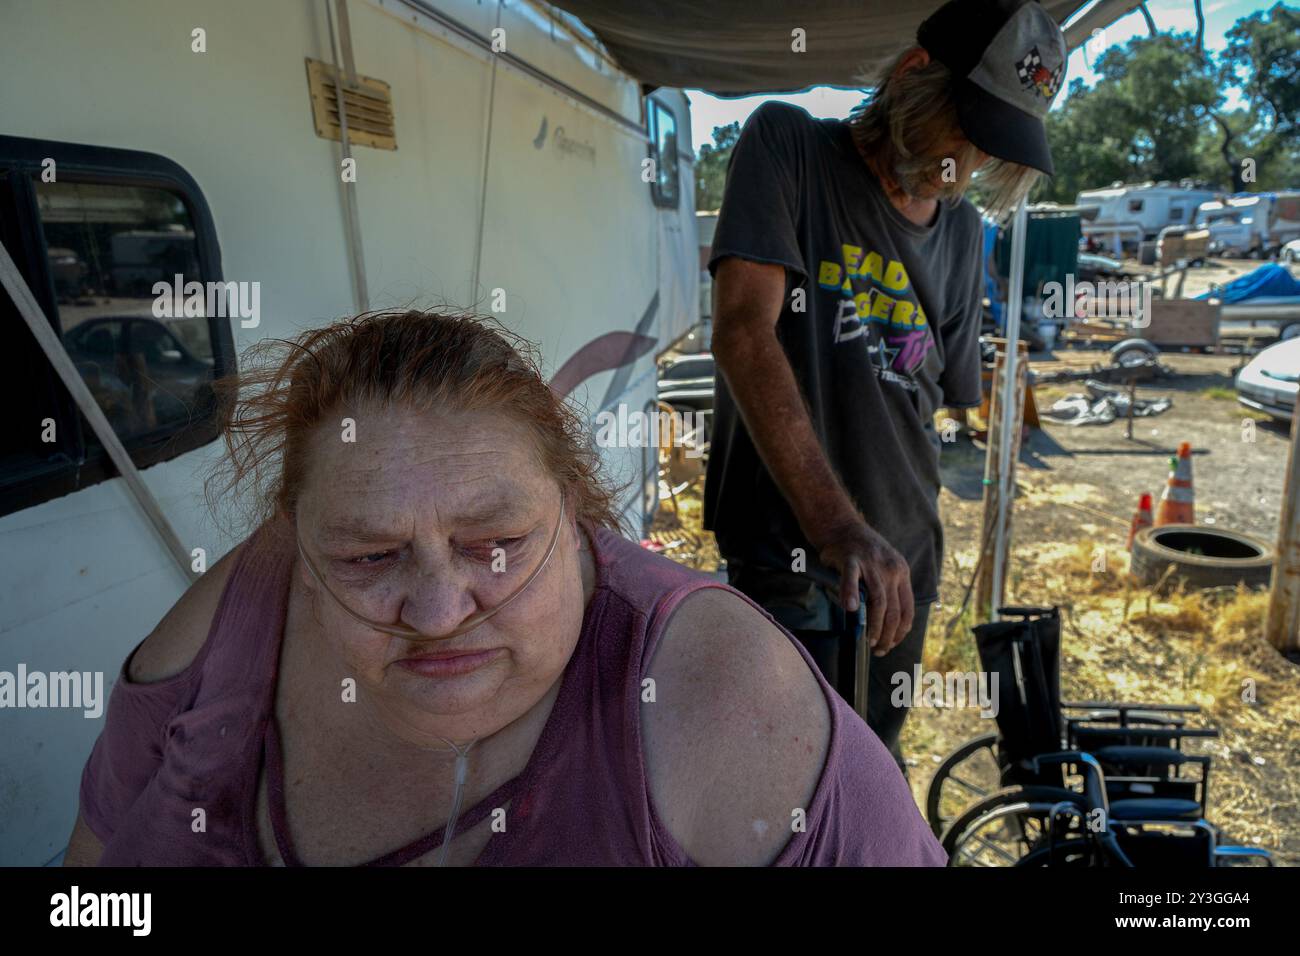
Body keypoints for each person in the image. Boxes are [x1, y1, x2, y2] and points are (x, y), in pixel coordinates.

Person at [63, 310, 945, 867]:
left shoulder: (726, 701)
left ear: (572, 510)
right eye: (369, 558)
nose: (440, 614)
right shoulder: (228, 627)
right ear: (293, 539)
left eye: (497, 544)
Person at [704, 0, 1065, 771]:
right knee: (775, 783)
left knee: (870, 772)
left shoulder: (964, 234)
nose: (964, 166)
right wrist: (837, 525)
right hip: (790, 554)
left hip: (903, 563)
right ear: (913, 76)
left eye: (989, 150)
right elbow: (742, 331)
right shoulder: (789, 146)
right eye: (963, 132)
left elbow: (940, 396)